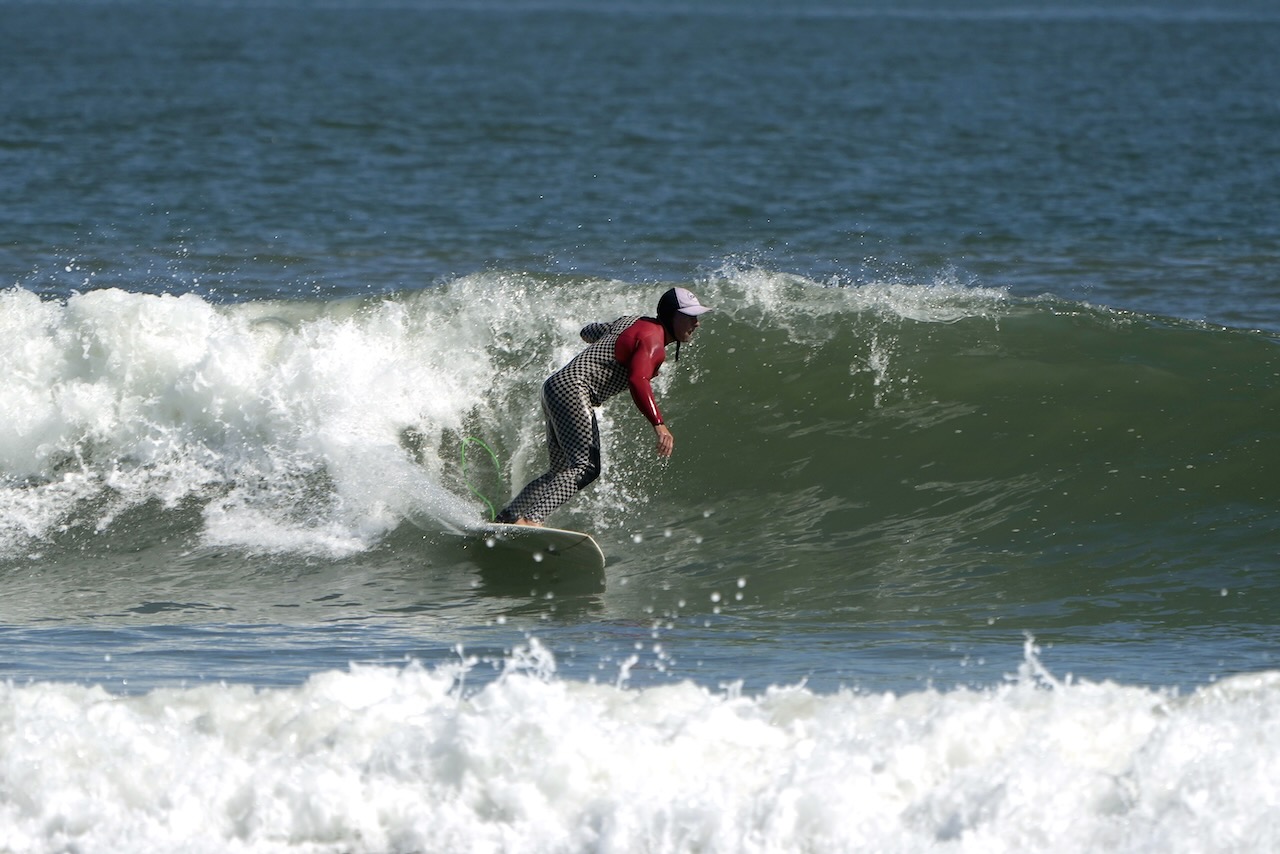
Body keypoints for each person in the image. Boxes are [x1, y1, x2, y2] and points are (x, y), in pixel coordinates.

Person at [494, 287, 713, 527]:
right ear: (671, 316)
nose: (696, 323)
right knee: (586, 466)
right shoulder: (654, 342)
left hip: (555, 386)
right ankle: (532, 519)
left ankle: (508, 517)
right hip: (576, 389)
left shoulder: (633, 322)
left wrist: (619, 347)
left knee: (560, 471)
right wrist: (659, 425)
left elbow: (587, 332)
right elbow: (638, 380)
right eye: (690, 316)